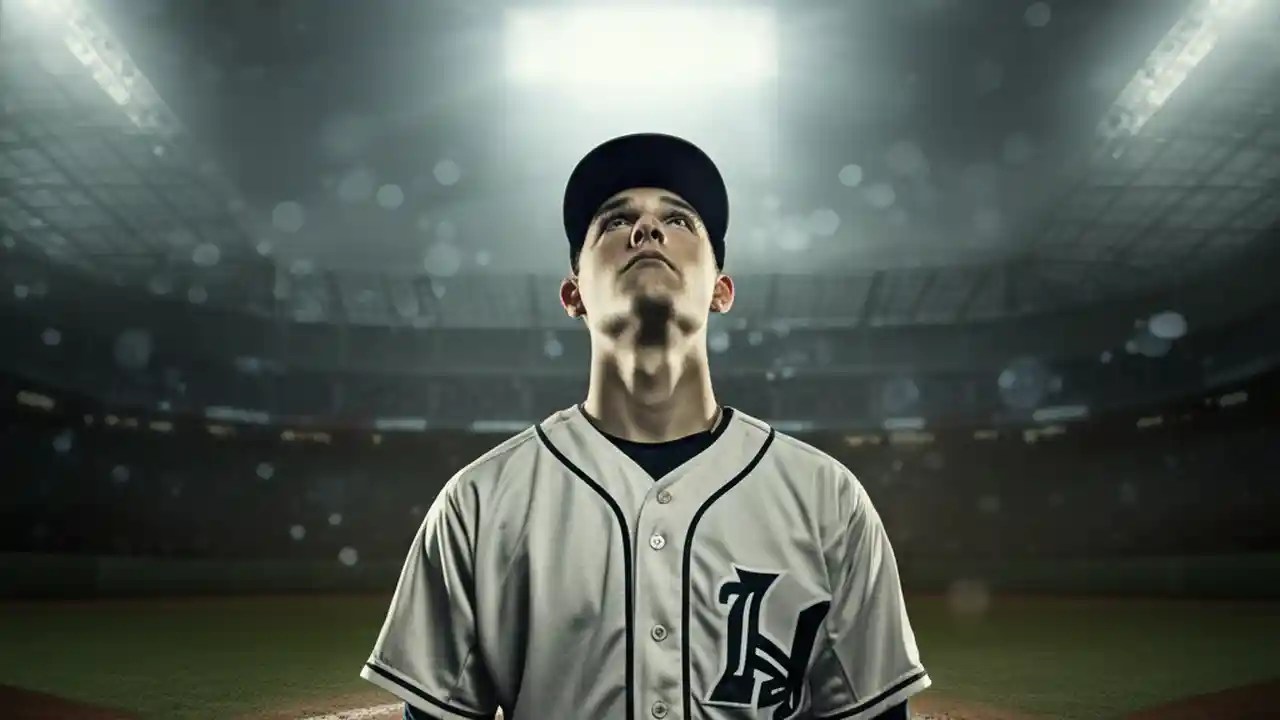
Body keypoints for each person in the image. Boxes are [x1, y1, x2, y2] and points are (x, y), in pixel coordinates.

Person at [360, 133, 929, 719]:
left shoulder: (827, 501)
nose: (647, 230)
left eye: (679, 220)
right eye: (614, 222)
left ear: (722, 290)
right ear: (573, 293)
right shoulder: (478, 504)